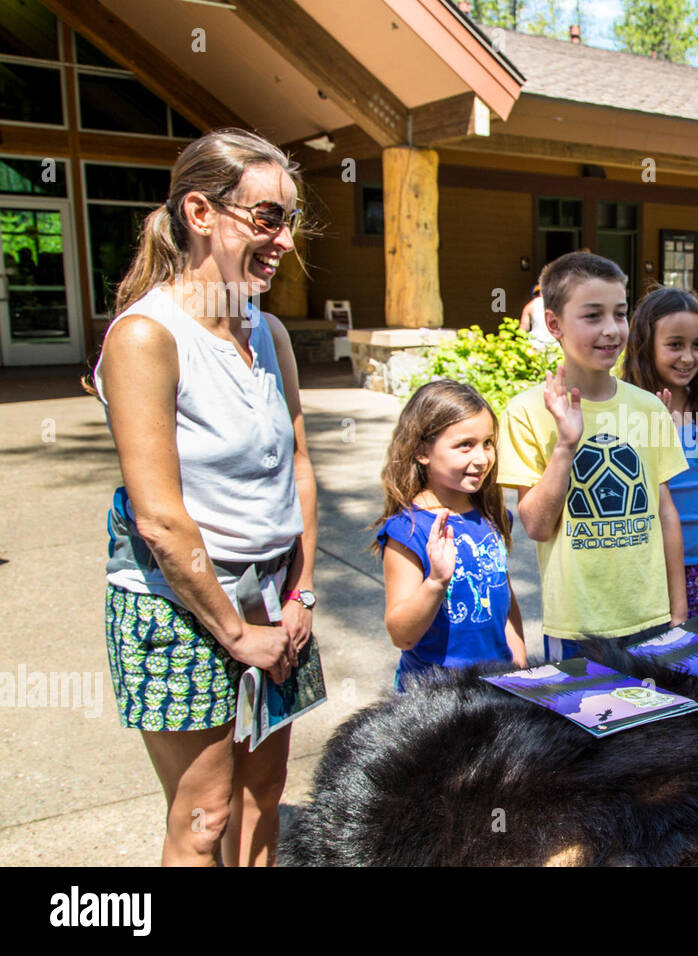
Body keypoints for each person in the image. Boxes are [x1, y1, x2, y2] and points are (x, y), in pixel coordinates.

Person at [90, 128, 318, 866]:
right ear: (198, 211)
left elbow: (301, 468)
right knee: (206, 818)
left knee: (263, 799)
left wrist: (303, 593)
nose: (284, 239)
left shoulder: (270, 332)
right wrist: (235, 630)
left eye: (290, 219)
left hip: (273, 599)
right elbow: (158, 515)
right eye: (267, 218)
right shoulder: (146, 337)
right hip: (181, 609)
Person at [497, 252, 688, 661]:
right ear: (553, 325)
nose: (611, 330)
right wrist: (565, 446)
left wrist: (679, 608)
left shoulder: (649, 409)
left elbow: (665, 511)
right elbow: (536, 525)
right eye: (592, 316)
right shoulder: (526, 412)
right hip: (576, 626)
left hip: (651, 617)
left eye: (619, 314)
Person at [372, 380, 527, 689]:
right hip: (436, 699)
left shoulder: (491, 517)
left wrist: (520, 664)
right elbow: (401, 635)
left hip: (496, 688)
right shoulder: (408, 531)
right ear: (421, 451)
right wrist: (436, 582)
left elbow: (504, 599)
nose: (482, 457)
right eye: (464, 445)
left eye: (487, 443)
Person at [622, 286, 698, 617]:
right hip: (651, 574)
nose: (688, 357)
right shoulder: (626, 415)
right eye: (674, 345)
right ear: (645, 347)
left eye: (697, 345)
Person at [520, 281, 555, 350]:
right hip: (554, 345)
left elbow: (523, 330)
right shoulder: (556, 304)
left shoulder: (529, 306)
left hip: (535, 345)